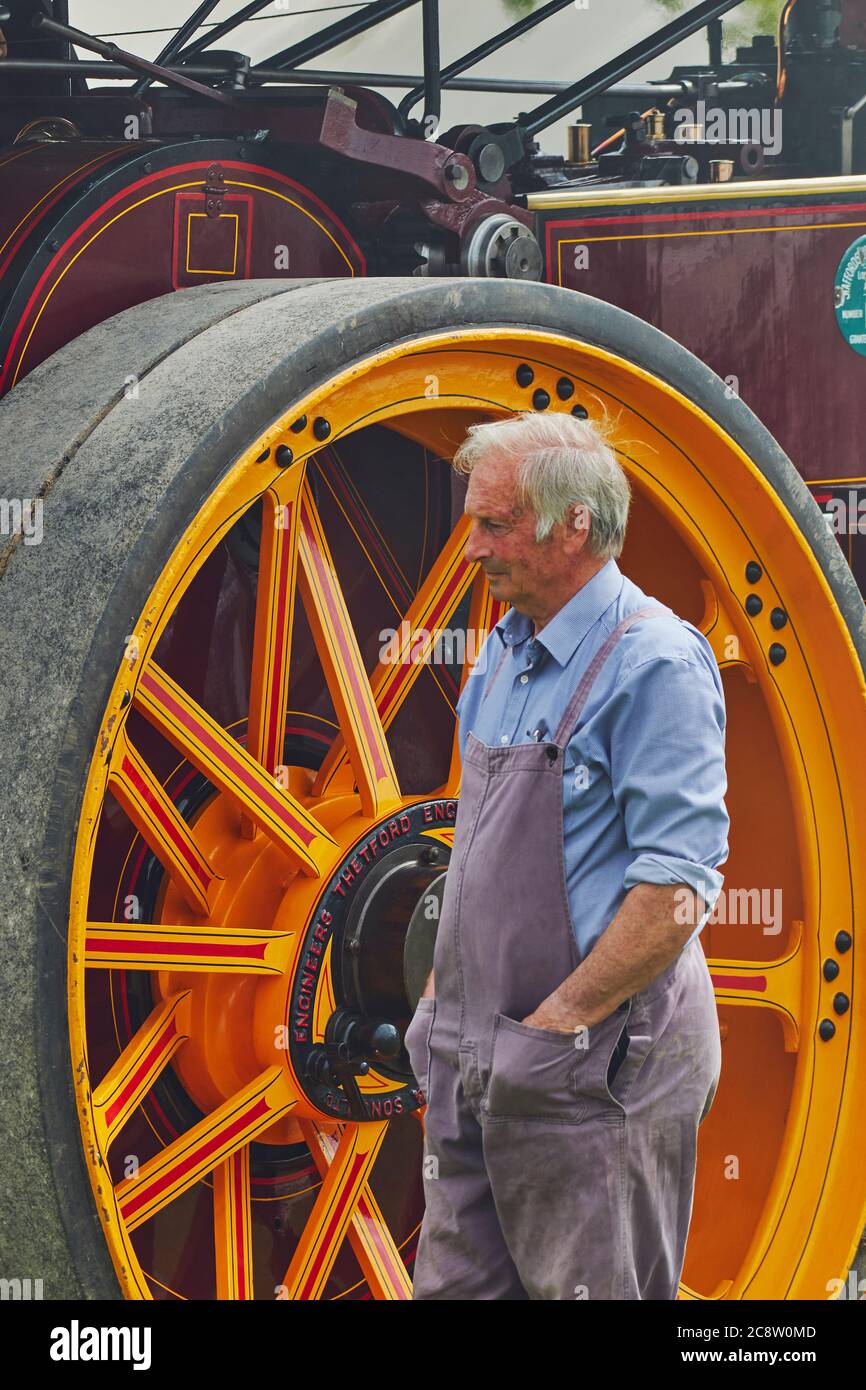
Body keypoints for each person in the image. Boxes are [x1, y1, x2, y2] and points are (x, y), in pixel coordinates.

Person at [404, 408, 728, 1301]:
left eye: (494, 524)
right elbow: (473, 849)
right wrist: (443, 1012)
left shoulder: (653, 661)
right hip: (477, 1060)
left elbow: (678, 886)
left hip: (592, 1072)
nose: (472, 549)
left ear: (574, 524)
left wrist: (554, 1033)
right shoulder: (501, 655)